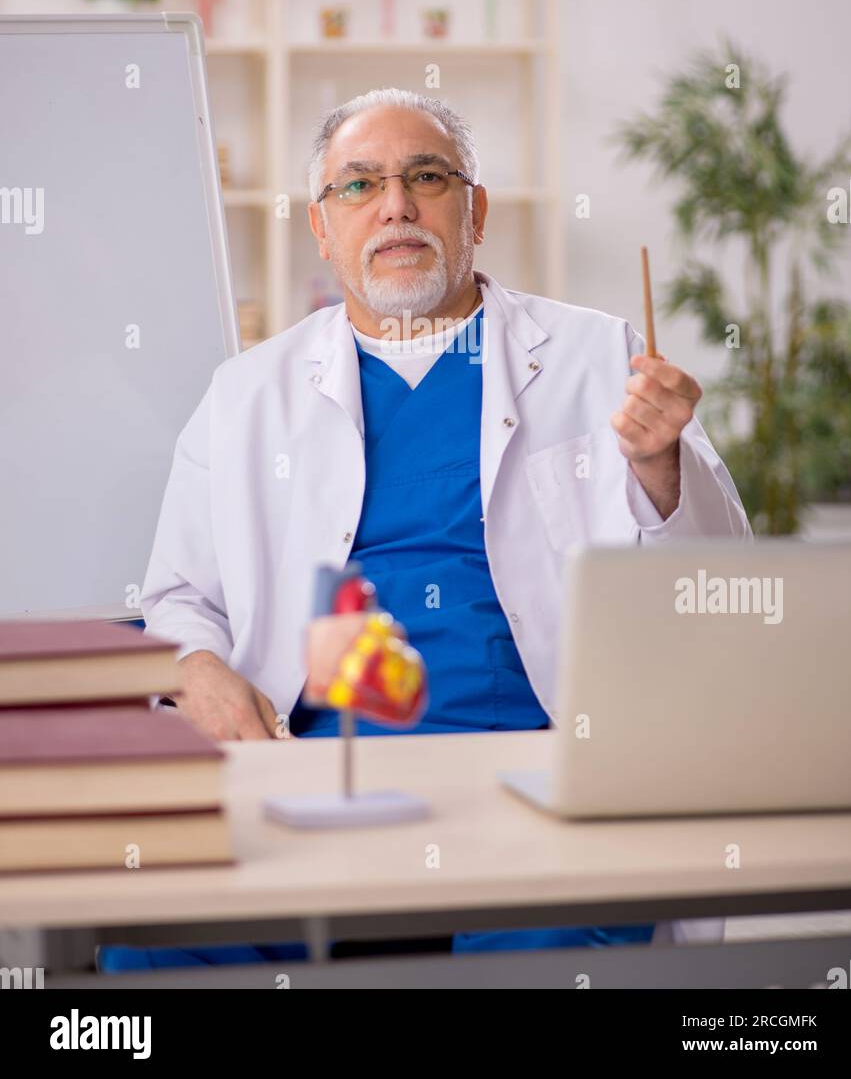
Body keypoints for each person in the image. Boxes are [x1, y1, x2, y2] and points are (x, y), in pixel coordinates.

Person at [98, 88, 750, 972]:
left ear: (475, 211)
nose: (395, 205)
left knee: (547, 940)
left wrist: (660, 464)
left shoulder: (600, 358)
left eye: (426, 177)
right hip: (312, 774)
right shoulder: (247, 394)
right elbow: (179, 596)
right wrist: (195, 667)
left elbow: (715, 582)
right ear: (321, 228)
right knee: (159, 940)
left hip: (532, 773)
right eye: (359, 184)